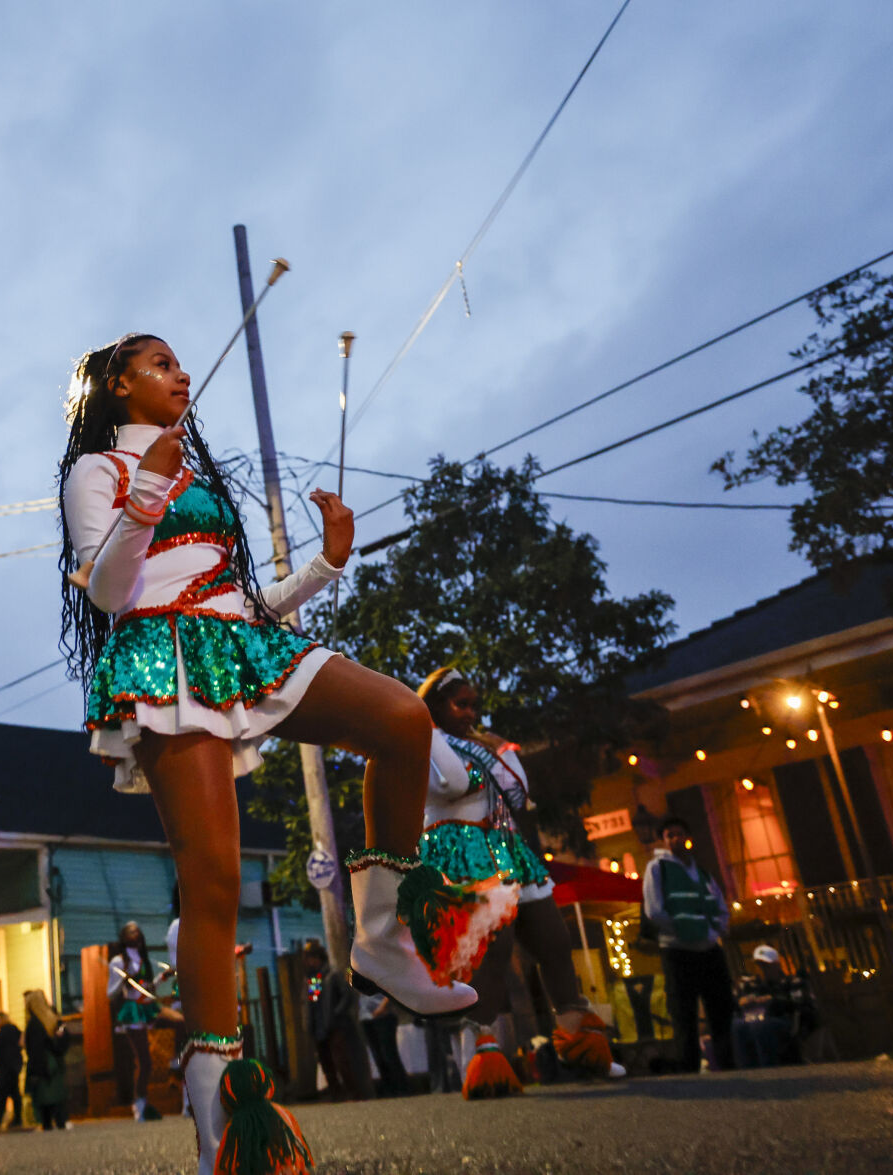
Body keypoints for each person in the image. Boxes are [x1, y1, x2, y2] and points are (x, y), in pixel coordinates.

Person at [57, 333, 475, 1173]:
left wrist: (326, 562)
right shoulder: (96, 471)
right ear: (116, 383)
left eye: (181, 365)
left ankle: (382, 936)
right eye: (160, 364)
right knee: (212, 876)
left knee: (400, 719)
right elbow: (108, 590)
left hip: (235, 643)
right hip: (160, 655)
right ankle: (218, 1096)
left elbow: (242, 601)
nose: (180, 376)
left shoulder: (199, 478)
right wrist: (146, 488)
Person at [418, 669, 623, 1098]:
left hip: (506, 846)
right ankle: (483, 1052)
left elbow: (520, 793)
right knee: (494, 952)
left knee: (553, 939)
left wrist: (501, 752)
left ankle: (578, 1042)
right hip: (461, 847)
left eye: (474, 703)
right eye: (461, 704)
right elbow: (451, 784)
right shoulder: (421, 742)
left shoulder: (485, 744)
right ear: (435, 707)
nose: (472, 712)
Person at [642, 815, 735, 1073]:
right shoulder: (657, 868)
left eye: (679, 833)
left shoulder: (703, 874)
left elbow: (720, 906)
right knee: (684, 1014)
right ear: (664, 840)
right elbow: (654, 910)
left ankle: (728, 1064)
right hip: (678, 951)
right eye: (669, 835)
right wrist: (684, 929)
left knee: (721, 1008)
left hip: (708, 949)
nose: (675, 839)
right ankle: (689, 1067)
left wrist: (714, 930)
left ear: (688, 837)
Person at [107, 922, 176, 1121]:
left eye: (137, 930)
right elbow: (110, 993)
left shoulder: (144, 959)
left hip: (148, 1007)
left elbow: (149, 988)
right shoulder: (119, 962)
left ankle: (176, 1063)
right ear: (124, 936)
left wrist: (162, 977)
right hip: (133, 1011)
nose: (135, 932)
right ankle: (139, 1104)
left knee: (180, 1022)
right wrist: (123, 980)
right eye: (130, 930)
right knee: (145, 1061)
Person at [302, 940, 372, 1102]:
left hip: (335, 1026)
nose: (310, 962)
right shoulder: (315, 978)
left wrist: (335, 1013)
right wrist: (311, 1021)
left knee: (342, 1061)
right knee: (327, 1063)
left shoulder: (333, 974)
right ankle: (337, 1094)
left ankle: (354, 1093)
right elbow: (314, 1001)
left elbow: (348, 995)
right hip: (320, 1026)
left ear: (319, 957)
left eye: (313, 958)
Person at [735, 945, 817, 1067]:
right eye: (760, 966)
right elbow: (741, 1002)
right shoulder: (756, 986)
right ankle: (747, 1069)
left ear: (776, 964)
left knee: (761, 1027)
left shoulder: (792, 982)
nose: (763, 969)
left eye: (766, 965)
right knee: (737, 1026)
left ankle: (768, 1068)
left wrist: (772, 1001)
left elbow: (800, 1004)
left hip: (785, 1020)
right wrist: (745, 1001)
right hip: (757, 1019)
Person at [22, 990, 70, 1131]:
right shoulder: (53, 1020)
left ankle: (48, 1125)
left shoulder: (34, 1024)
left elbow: (34, 1050)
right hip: (55, 1066)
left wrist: (34, 1073)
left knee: (44, 1103)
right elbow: (61, 1044)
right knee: (57, 1100)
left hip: (42, 1067)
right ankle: (61, 1123)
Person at [0, 1012, 24, 1130]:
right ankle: (17, 1118)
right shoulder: (15, 1030)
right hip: (15, 1066)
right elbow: (21, 1044)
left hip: (5, 1068)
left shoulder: (1, 1034)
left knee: (2, 1095)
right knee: (15, 1093)